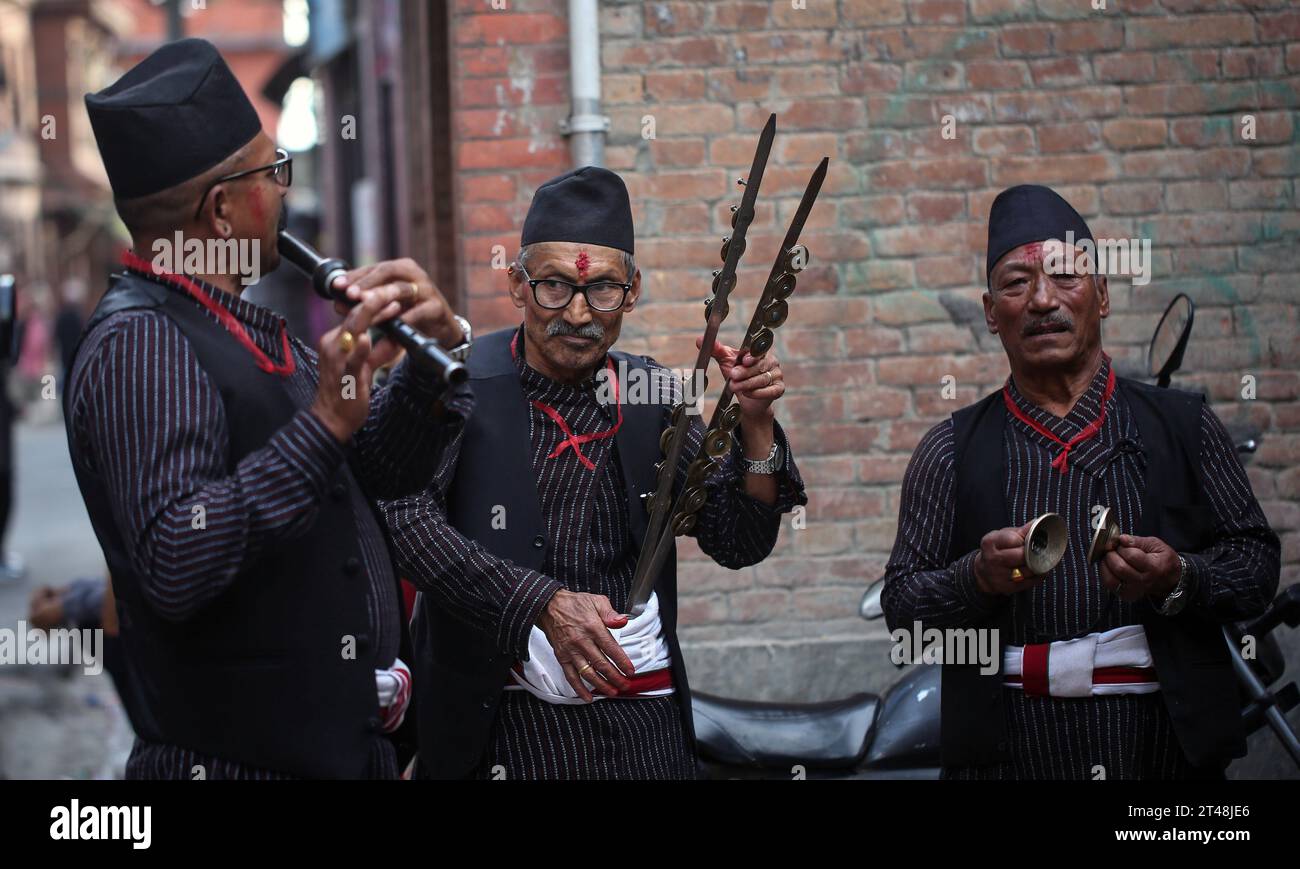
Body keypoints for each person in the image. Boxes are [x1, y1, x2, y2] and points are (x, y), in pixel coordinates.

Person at [66, 38, 469, 779]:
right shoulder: (140, 344)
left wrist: (428, 363)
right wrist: (322, 425)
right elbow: (176, 559)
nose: (283, 191)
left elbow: (375, 470)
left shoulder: (243, 325)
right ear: (221, 211)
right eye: (271, 172)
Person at [383, 166, 807, 779]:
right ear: (518, 286)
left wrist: (757, 423)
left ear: (632, 293)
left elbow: (739, 540)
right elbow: (402, 517)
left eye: (603, 289)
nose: (578, 313)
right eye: (554, 286)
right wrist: (538, 602)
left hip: (643, 736)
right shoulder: (459, 382)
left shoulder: (651, 391)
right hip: (502, 734)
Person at [881, 184, 1281, 779]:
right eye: (1016, 283)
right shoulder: (949, 450)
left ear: (1103, 294)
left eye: (1066, 276)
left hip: (1166, 760)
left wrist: (1180, 576)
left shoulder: (1183, 426)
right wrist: (978, 578)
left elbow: (1257, 569)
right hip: (1009, 760)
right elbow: (902, 609)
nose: (1042, 299)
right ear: (991, 312)